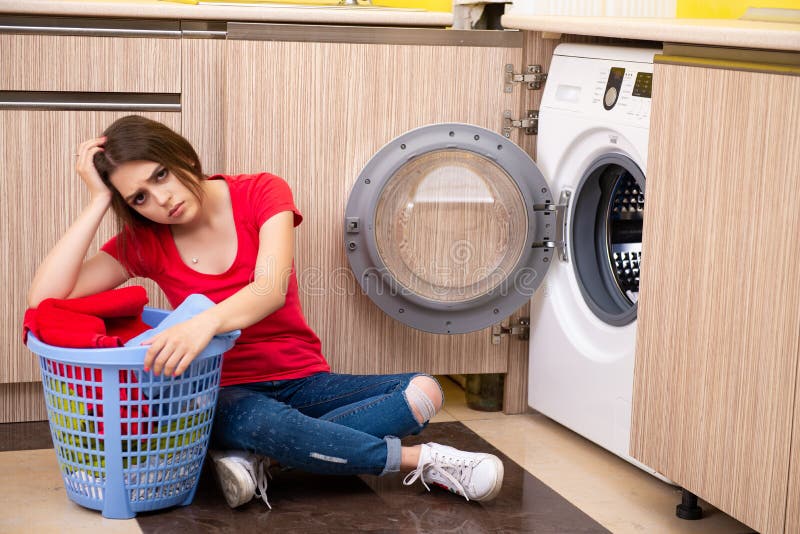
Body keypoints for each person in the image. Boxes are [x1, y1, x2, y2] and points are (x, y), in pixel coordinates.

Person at [27, 115, 505, 508]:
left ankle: (265, 462)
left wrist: (206, 321)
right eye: (139, 198)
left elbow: (269, 290)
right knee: (264, 424)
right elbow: (46, 299)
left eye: (159, 175)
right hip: (218, 390)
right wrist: (98, 201)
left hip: (302, 378)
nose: (162, 199)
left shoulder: (260, 191)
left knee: (422, 391)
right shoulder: (146, 241)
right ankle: (420, 459)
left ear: (183, 157)